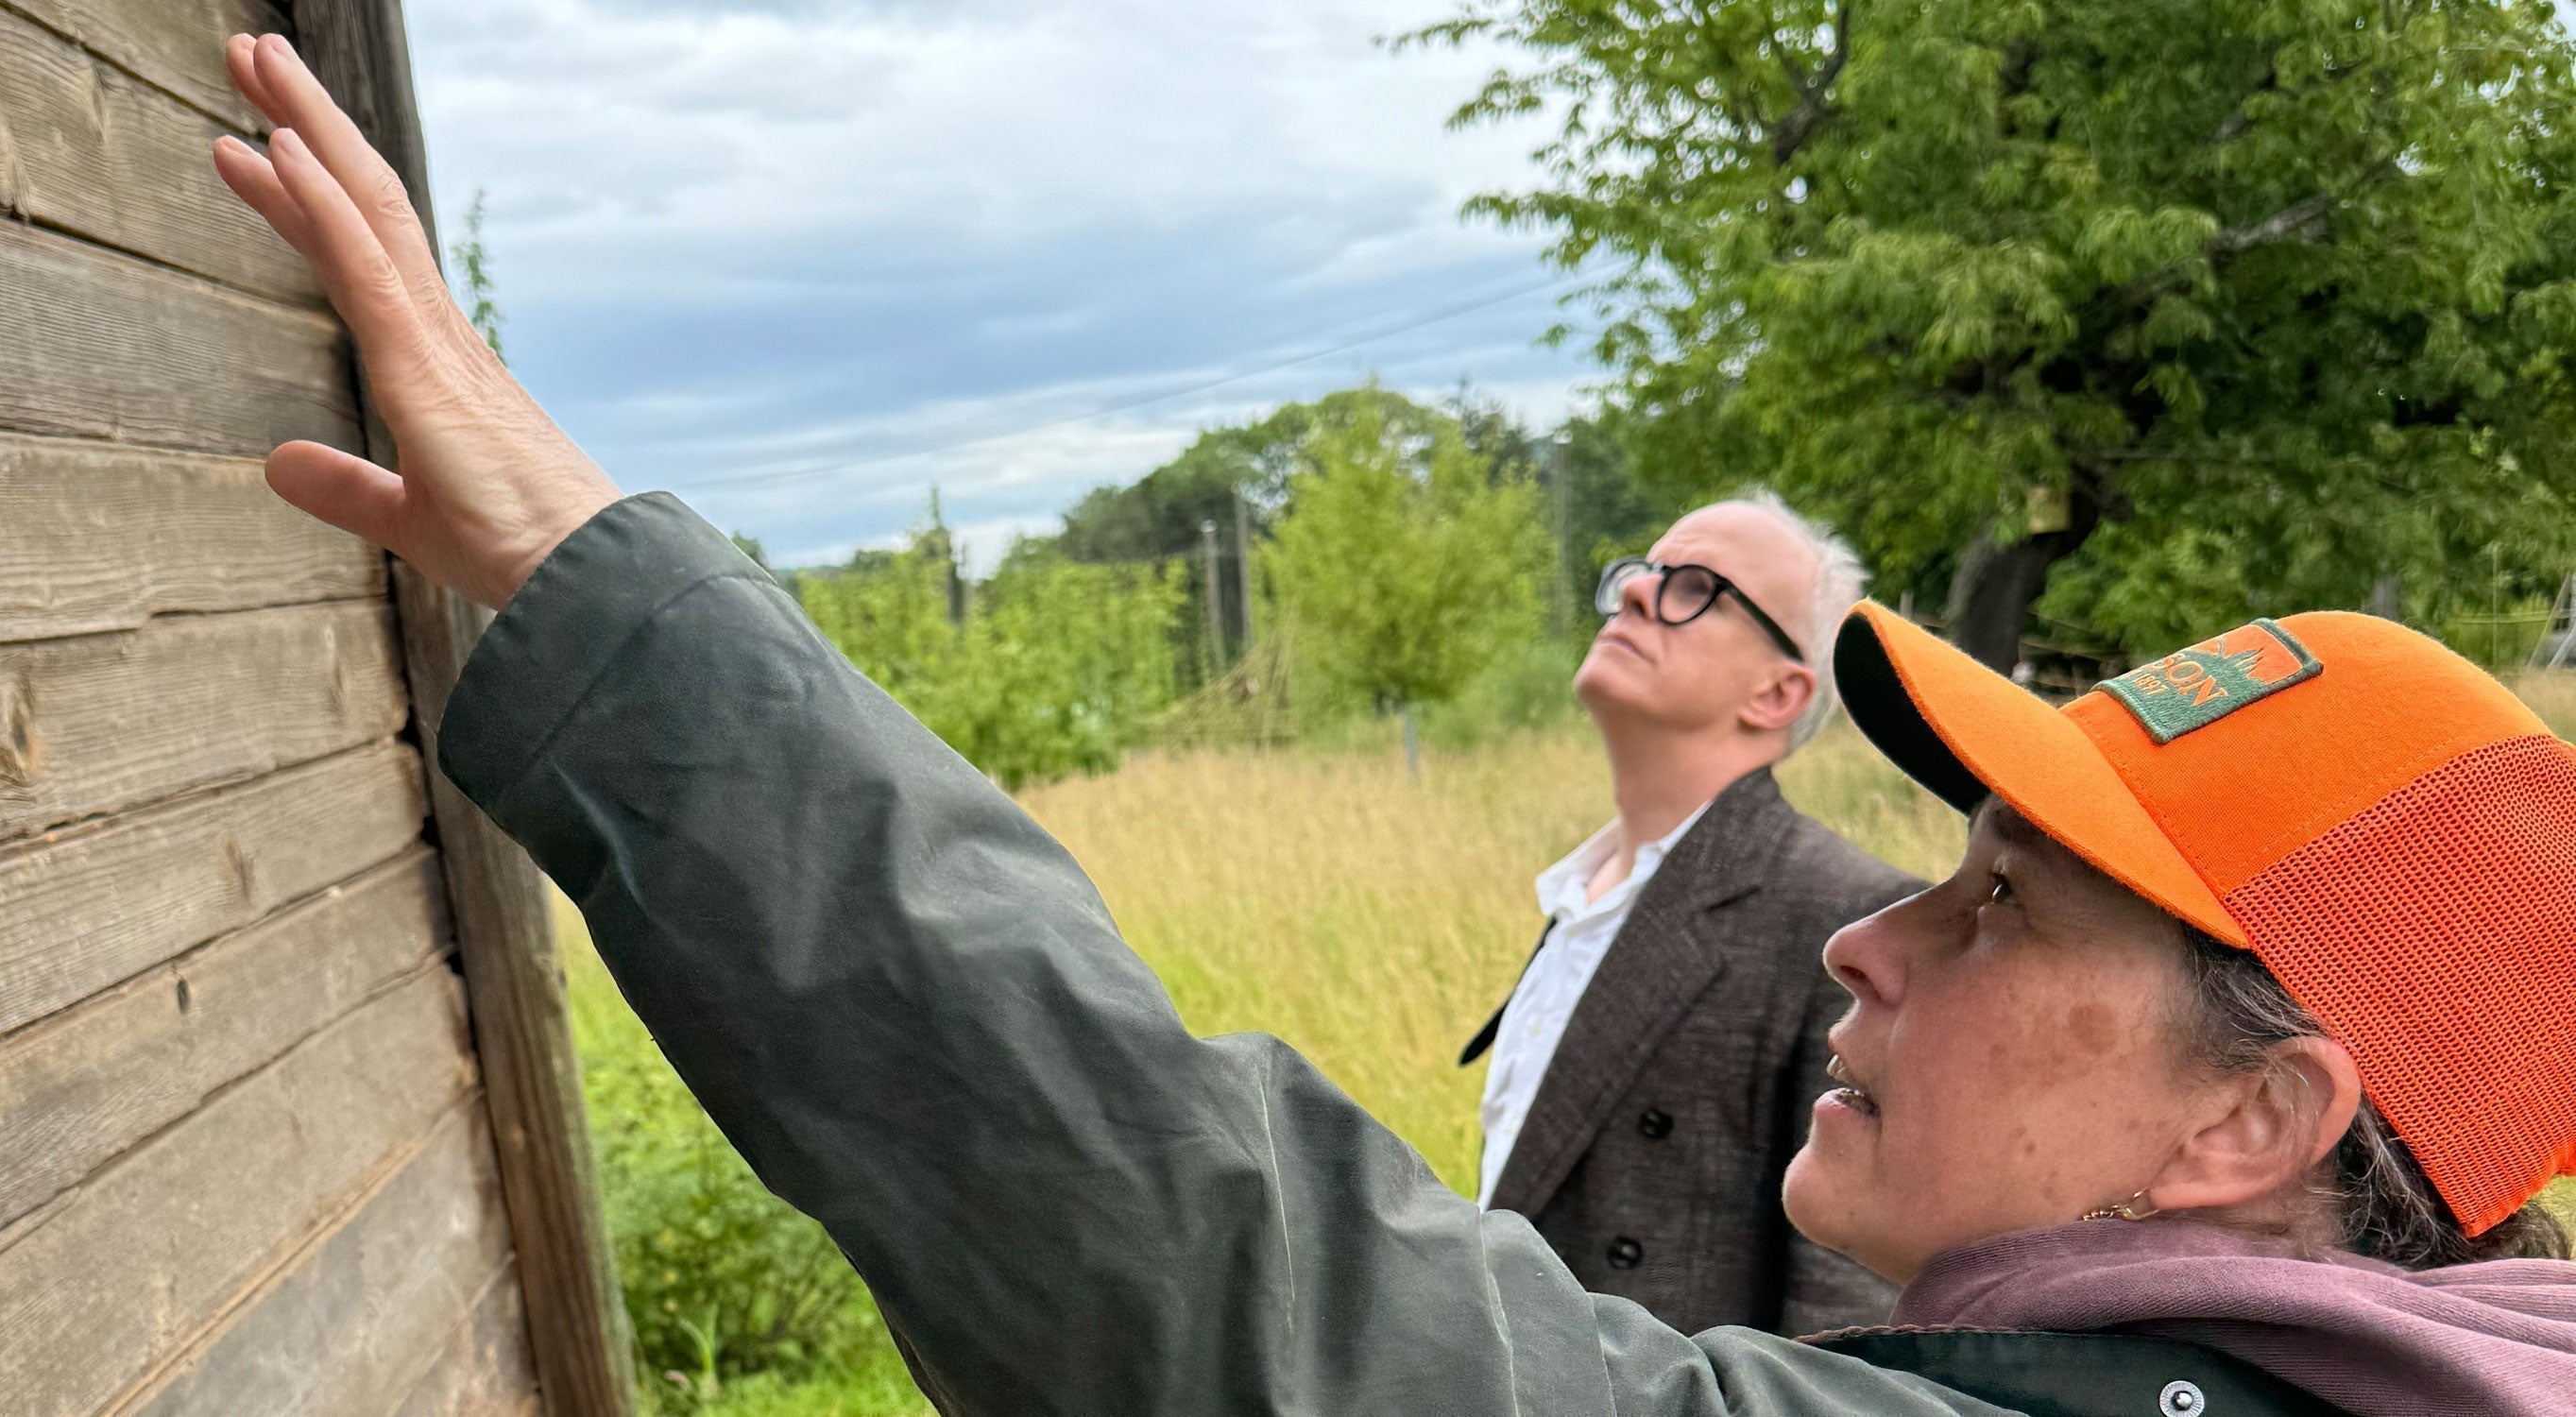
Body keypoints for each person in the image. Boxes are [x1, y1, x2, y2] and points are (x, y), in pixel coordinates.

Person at [208, 36, 2576, 1414]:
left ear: (2259, 1114)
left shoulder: (1796, 936)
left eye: (1999, 910)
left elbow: (1287, 1292)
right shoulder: (1572, 896)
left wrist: (605, 596)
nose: (1887, 945)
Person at [1462, 500, 1915, 1335]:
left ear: (1778, 692)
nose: (1638, 594)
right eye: (1642, 573)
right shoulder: (1582, 893)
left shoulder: (1847, 918)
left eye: (1697, 588)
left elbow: (1845, 1314)